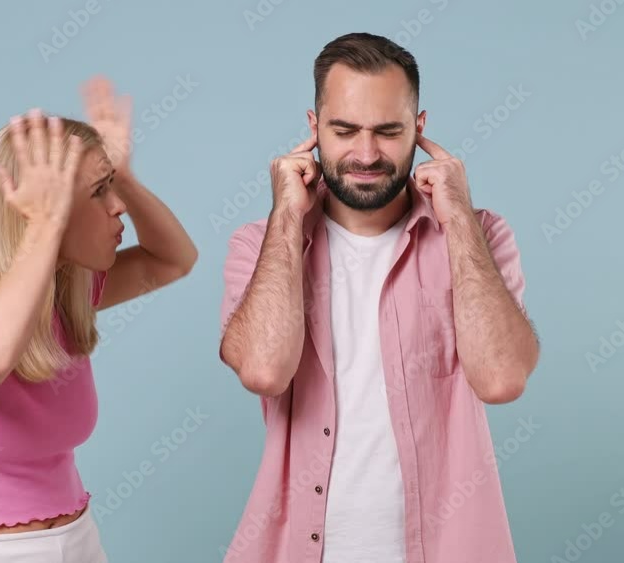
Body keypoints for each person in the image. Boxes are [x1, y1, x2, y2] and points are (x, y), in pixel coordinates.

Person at [218, 32, 539, 563]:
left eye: (388, 132)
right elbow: (263, 371)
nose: (366, 154)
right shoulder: (260, 244)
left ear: (419, 128)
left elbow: (503, 378)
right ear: (313, 127)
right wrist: (286, 217)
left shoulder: (481, 235)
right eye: (344, 130)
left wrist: (457, 218)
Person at [0, 76, 197, 563]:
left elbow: (172, 260)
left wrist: (121, 172)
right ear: (37, 211)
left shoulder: (71, 294)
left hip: (80, 540)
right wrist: (46, 225)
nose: (119, 207)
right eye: (99, 193)